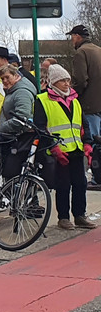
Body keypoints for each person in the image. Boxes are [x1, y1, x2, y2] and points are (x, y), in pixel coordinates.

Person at [34, 64, 95, 230]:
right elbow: (40, 127)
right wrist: (53, 148)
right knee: (63, 185)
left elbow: (83, 123)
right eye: (62, 81)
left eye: (68, 80)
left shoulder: (74, 99)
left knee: (80, 183)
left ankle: (80, 215)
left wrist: (87, 143)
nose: (67, 84)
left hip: (76, 148)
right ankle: (63, 217)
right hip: (58, 151)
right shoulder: (42, 100)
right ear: (53, 82)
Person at [0, 63, 39, 181]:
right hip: (13, 137)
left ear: (16, 76)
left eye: (7, 77)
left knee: (13, 174)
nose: (4, 80)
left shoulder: (21, 92)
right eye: (2, 78)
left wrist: (2, 127)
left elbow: (23, 117)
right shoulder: (13, 90)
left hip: (19, 139)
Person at [68, 26, 101, 159]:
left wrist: (73, 97)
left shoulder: (81, 53)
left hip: (89, 105)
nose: (71, 40)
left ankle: (95, 175)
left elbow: (81, 81)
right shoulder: (98, 50)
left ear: (77, 36)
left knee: (92, 144)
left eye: (72, 37)